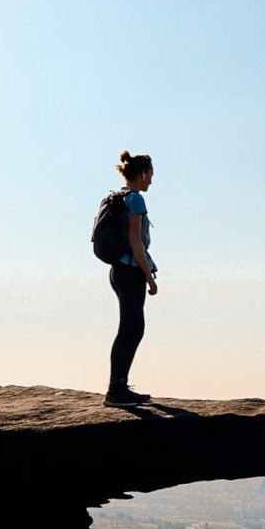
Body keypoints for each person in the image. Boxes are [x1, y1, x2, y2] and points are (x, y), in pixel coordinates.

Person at [105, 150, 157, 407]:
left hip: (117, 271)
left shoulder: (117, 198)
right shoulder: (135, 200)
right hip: (130, 271)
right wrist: (149, 277)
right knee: (132, 328)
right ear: (143, 173)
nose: (152, 181)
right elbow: (136, 241)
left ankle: (119, 386)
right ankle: (116, 390)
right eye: (151, 176)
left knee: (130, 327)